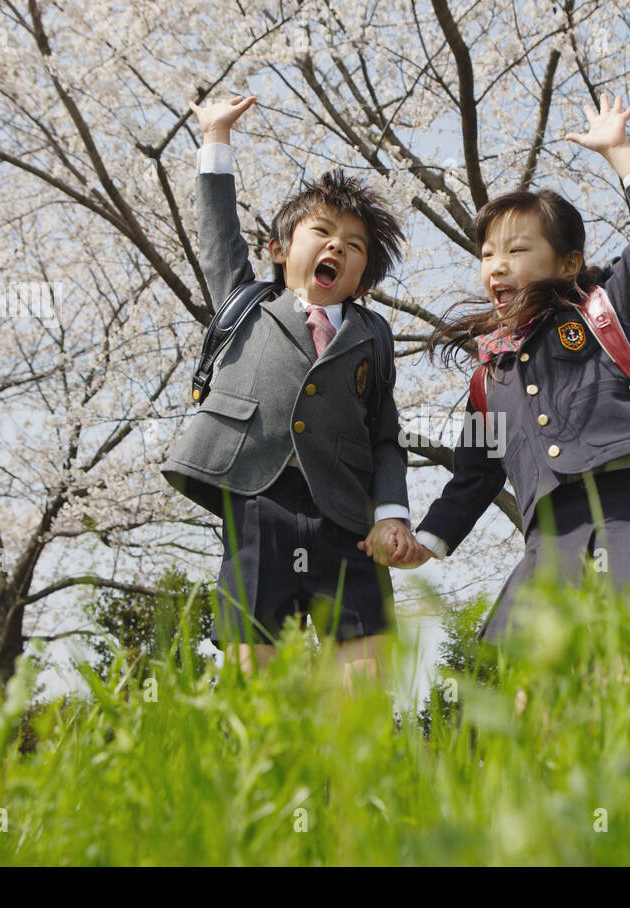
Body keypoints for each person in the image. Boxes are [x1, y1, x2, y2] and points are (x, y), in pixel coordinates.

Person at [381, 93, 630, 670]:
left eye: (518, 250)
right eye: (486, 254)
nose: (496, 265)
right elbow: (473, 476)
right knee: (535, 684)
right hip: (546, 538)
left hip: (627, 512)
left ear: (568, 263)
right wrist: (427, 542)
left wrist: (619, 150)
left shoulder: (605, 312)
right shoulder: (489, 374)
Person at [161, 94, 421, 690]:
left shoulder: (374, 336)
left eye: (354, 247)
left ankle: (357, 779)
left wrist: (391, 514)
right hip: (258, 502)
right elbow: (217, 234)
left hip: (348, 518)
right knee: (256, 677)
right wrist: (216, 138)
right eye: (321, 234)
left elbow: (386, 437)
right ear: (280, 251)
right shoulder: (247, 302)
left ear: (363, 276)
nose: (336, 248)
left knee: (364, 674)